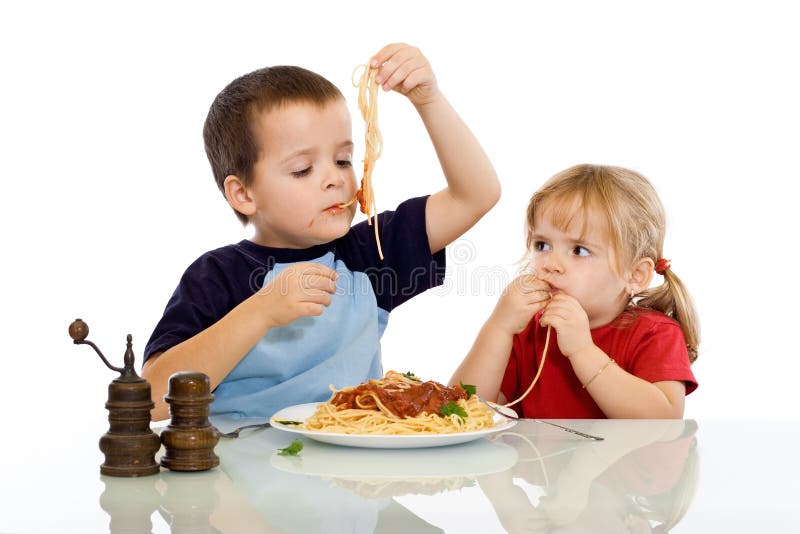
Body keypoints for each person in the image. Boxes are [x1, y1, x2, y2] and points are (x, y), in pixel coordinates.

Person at [141, 43, 500, 421]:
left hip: (349, 470)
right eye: (302, 169)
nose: (335, 179)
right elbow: (151, 399)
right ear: (244, 194)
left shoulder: (370, 252)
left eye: (343, 159)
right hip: (236, 470)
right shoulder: (216, 276)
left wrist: (428, 100)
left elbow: (476, 195)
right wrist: (259, 313)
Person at [450, 164, 697, 418]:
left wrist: (583, 351)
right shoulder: (527, 331)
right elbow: (459, 413)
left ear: (635, 275)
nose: (551, 264)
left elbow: (665, 421)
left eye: (579, 250)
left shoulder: (656, 334)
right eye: (542, 244)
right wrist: (499, 327)